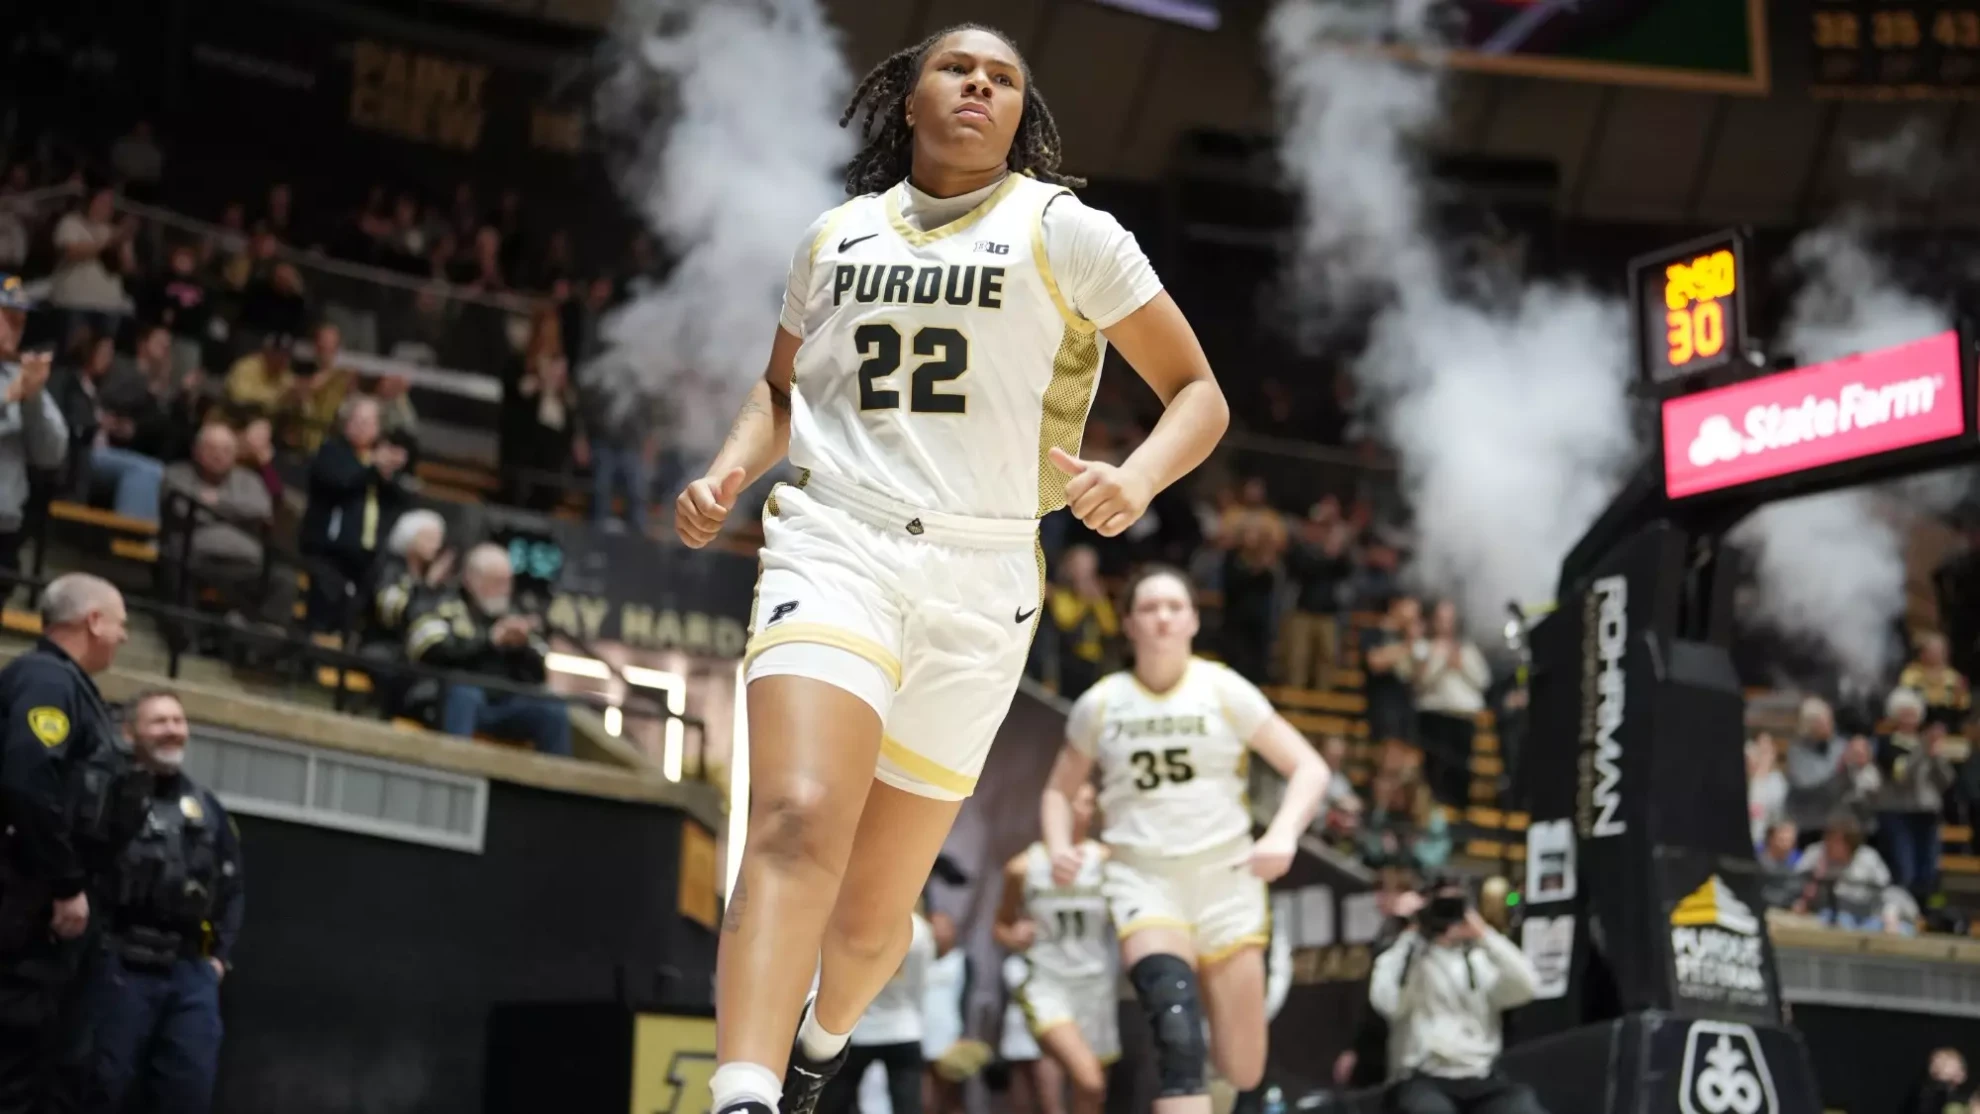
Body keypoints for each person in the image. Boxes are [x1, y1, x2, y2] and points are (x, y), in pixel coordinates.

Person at [673, 24, 1230, 1114]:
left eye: (1004, 77)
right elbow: (782, 391)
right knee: (794, 815)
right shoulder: (835, 237)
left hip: (984, 575)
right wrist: (729, 469)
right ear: (907, 99)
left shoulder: (1066, 232)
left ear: (1022, 114)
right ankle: (741, 1095)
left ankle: (819, 1049)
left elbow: (1198, 393)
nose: (980, 84)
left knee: (872, 918)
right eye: (956, 68)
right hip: (837, 537)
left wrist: (1139, 479)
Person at [1038, 566, 1328, 1114]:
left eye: (1175, 606)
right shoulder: (1101, 703)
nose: (1163, 618)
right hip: (1144, 880)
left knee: (1242, 1067)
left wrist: (1283, 833)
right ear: (1128, 624)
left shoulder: (1223, 689)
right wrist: (1058, 848)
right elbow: (1058, 791)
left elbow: (1309, 768)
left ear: (1194, 619)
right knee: (1174, 1029)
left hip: (1226, 881)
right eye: (1149, 608)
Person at [0, 574, 142, 1114]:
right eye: (120, 624)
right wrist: (64, 884)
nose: (124, 637)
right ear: (94, 622)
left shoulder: (70, 688)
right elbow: (28, 780)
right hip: (26, 903)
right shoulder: (48, 680)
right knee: (18, 1060)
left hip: (42, 907)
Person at [81, 690, 243, 1113]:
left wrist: (218, 959)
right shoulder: (105, 796)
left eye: (178, 721)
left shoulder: (207, 808)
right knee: (101, 1086)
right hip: (119, 965)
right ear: (129, 733)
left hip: (188, 973)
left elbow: (232, 887)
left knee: (188, 1092)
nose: (172, 730)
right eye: (159, 721)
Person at [1368, 880, 1545, 1114]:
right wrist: (1411, 932)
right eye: (1439, 906)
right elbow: (1388, 1003)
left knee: (1523, 1106)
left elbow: (1527, 985)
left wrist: (1484, 934)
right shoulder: (1409, 959)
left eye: (1453, 906)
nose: (1446, 915)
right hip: (1421, 1078)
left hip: (1481, 1077)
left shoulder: (1480, 960)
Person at [993, 782, 1116, 1114]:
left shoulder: (1106, 861)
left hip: (1095, 985)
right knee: (1086, 1080)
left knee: (1092, 1095)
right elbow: (1000, 925)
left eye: (1088, 802)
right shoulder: (1024, 867)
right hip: (1046, 982)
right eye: (1073, 800)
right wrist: (1013, 935)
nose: (1080, 809)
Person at [404, 544, 570, 755]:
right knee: (466, 694)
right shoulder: (440, 604)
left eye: (508, 581)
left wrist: (520, 648)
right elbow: (428, 651)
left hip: (501, 704)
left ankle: (555, 776)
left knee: (553, 709)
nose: (505, 589)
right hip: (444, 699)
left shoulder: (515, 612)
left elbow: (538, 676)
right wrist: (489, 641)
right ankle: (452, 768)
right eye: (496, 581)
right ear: (471, 579)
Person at [0, 276, 69, 577]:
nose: (18, 326)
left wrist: (33, 400)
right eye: (8, 316)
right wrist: (6, 398)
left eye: (22, 319)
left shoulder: (19, 375)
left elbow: (52, 454)